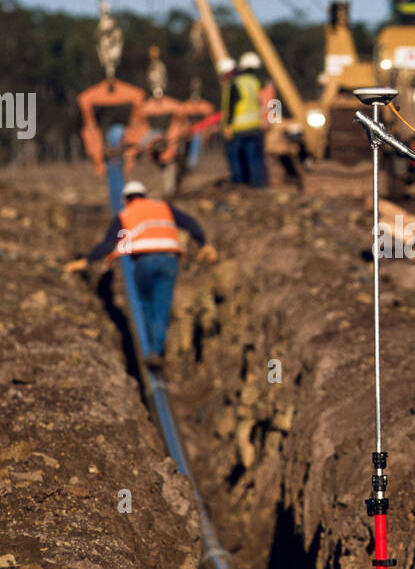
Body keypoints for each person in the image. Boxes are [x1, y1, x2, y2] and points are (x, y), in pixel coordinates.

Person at [64, 180, 217, 371]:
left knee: (146, 305)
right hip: (170, 260)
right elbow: (190, 223)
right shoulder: (162, 207)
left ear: (126, 200)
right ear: (144, 195)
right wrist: (204, 243)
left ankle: (150, 346)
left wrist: (86, 260)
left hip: (144, 262)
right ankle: (156, 349)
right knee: (162, 306)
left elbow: (108, 244)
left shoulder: (126, 214)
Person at [225, 53, 266, 187]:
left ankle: (239, 187)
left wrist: (228, 126)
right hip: (254, 127)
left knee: (236, 160)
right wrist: (272, 120)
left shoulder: (236, 83)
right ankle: (258, 186)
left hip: (239, 129)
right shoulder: (256, 82)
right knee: (254, 160)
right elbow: (270, 102)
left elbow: (231, 106)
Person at [217, 57, 241, 184]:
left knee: (235, 157)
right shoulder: (239, 84)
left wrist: (229, 126)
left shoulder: (233, 86)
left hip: (236, 127)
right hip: (243, 126)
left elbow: (232, 107)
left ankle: (238, 182)